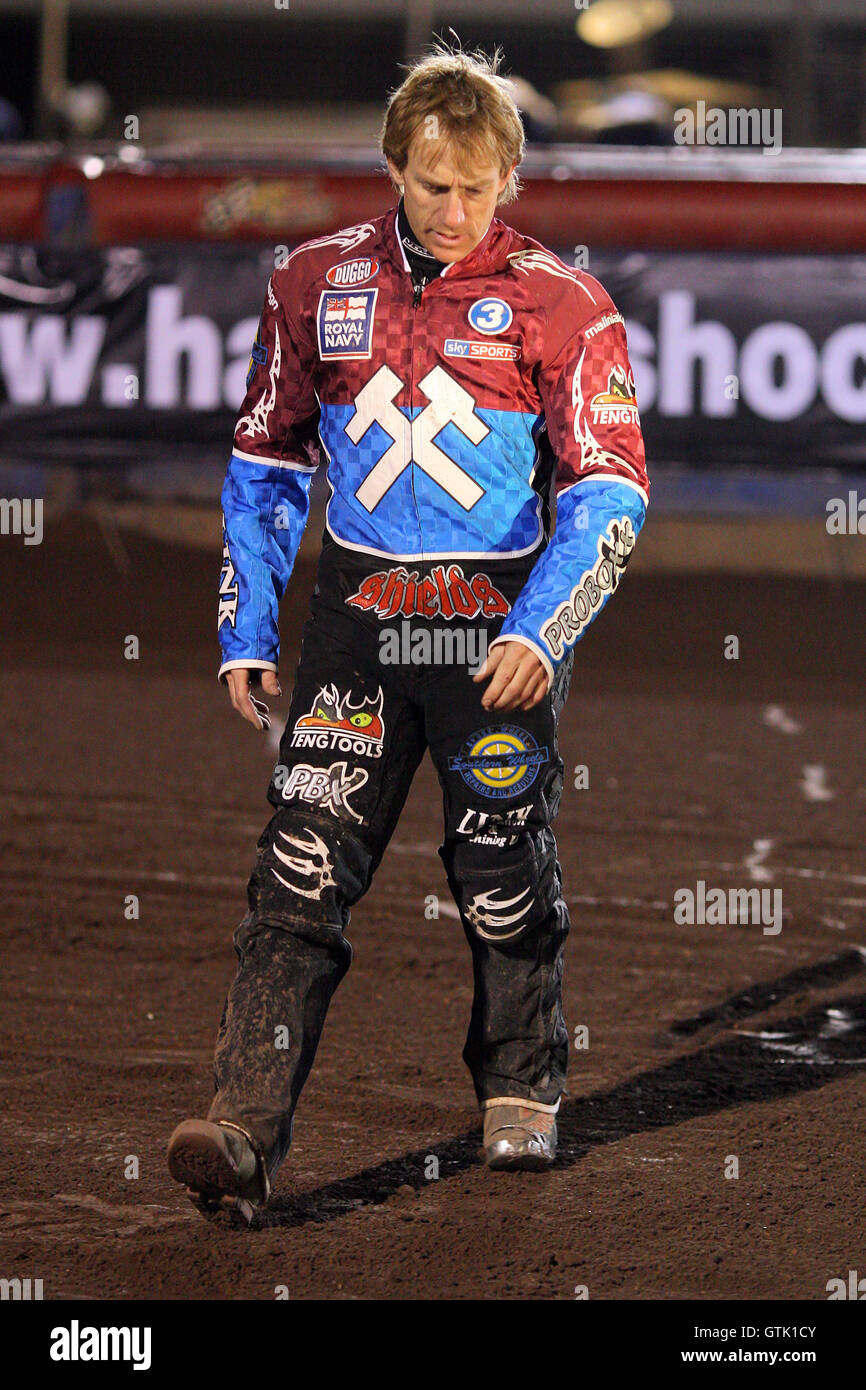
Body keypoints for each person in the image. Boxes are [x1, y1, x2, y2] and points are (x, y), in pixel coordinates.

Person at [167, 43, 648, 1225]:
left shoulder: (565, 303)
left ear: (509, 180)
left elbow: (609, 489)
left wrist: (544, 626)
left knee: (498, 875)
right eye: (433, 183)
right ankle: (240, 1131)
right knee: (299, 872)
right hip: (357, 624)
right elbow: (266, 460)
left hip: (495, 630)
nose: (453, 209)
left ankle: (521, 1083)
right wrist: (245, 621)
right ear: (394, 165)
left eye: (477, 186)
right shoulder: (311, 282)